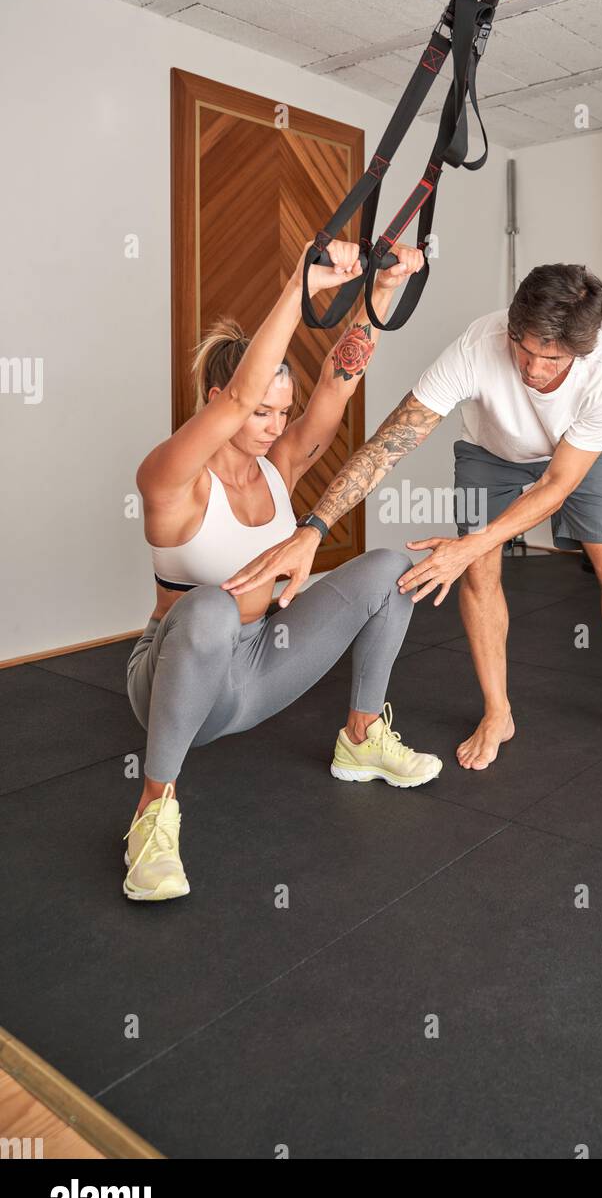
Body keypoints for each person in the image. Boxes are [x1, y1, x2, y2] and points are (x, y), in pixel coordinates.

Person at [223, 263, 602, 773]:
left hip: (571, 456)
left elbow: (556, 486)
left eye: (552, 359)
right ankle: (498, 713)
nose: (533, 370)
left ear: (581, 350)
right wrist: (313, 528)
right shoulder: (479, 345)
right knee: (480, 570)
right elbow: (389, 444)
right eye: (526, 349)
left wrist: (469, 543)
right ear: (513, 328)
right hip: (489, 452)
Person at [124, 239, 442, 902]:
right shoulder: (169, 482)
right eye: (259, 412)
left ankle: (360, 738)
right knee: (210, 605)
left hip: (263, 664)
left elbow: (337, 379)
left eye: (281, 412)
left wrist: (381, 292)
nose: (273, 427)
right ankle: (151, 816)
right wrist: (300, 286)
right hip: (176, 679)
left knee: (394, 566)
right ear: (219, 400)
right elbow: (239, 404)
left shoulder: (280, 465)